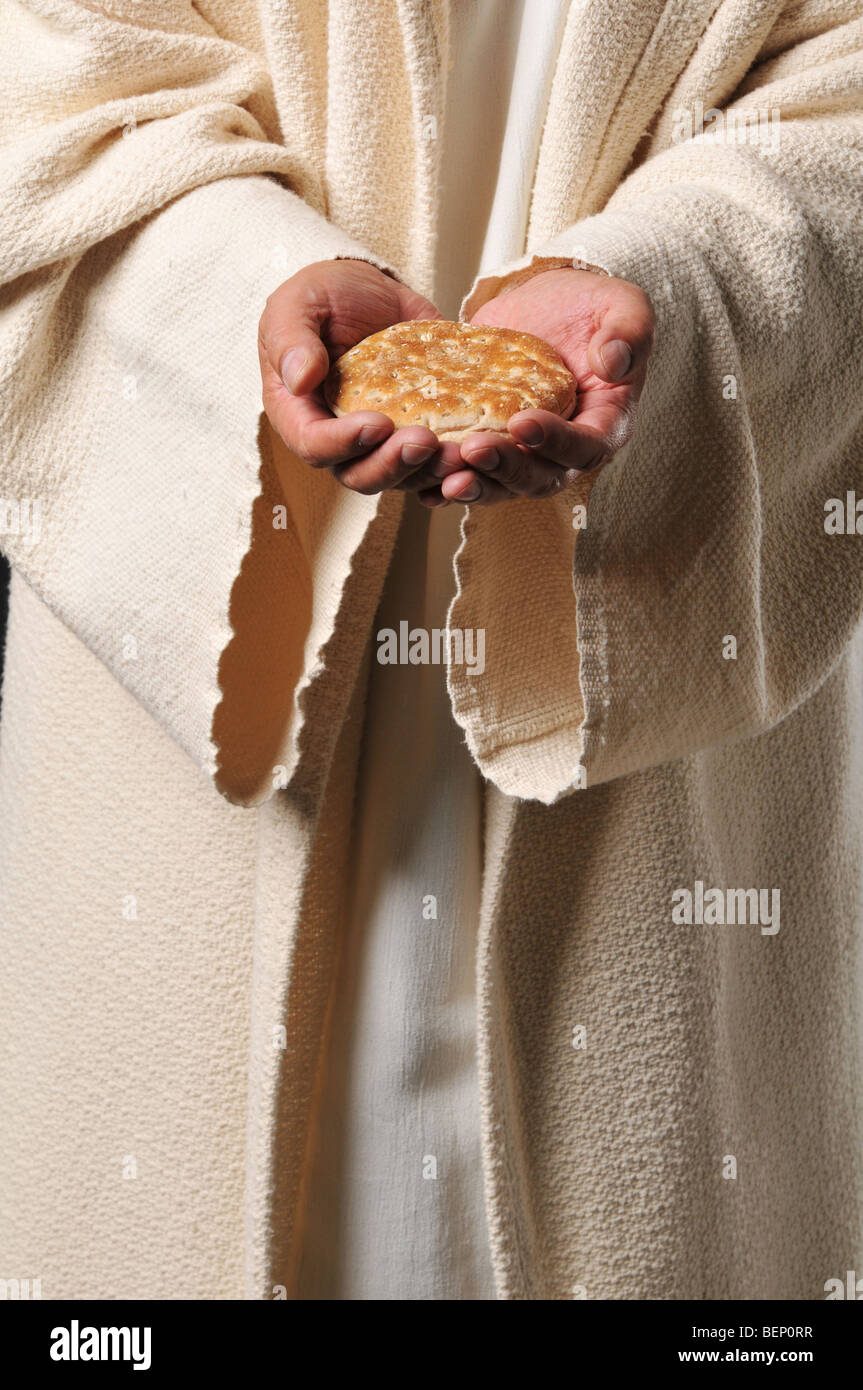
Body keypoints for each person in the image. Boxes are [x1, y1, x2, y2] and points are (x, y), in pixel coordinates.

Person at [1, 0, 861, 1301]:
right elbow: (51, 76)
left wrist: (670, 294)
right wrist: (252, 296)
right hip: (201, 756)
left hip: (661, 795)